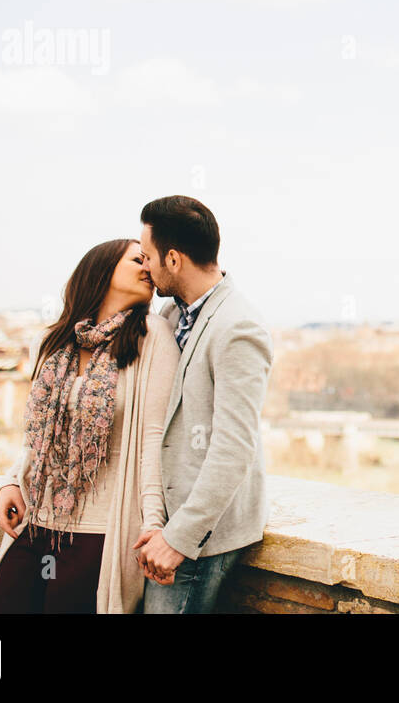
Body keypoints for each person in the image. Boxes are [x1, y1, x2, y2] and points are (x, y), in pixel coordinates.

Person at [0, 238, 181, 613]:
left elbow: (154, 439)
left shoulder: (151, 337)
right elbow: (41, 434)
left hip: (99, 531)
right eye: (138, 259)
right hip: (37, 520)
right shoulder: (50, 342)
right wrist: (11, 479)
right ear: (101, 270)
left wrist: (154, 523)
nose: (148, 269)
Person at [133, 195, 273, 613]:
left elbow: (233, 447)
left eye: (148, 256)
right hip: (167, 524)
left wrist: (179, 537)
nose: (144, 267)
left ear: (173, 259)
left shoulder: (238, 327)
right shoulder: (173, 315)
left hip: (200, 538)